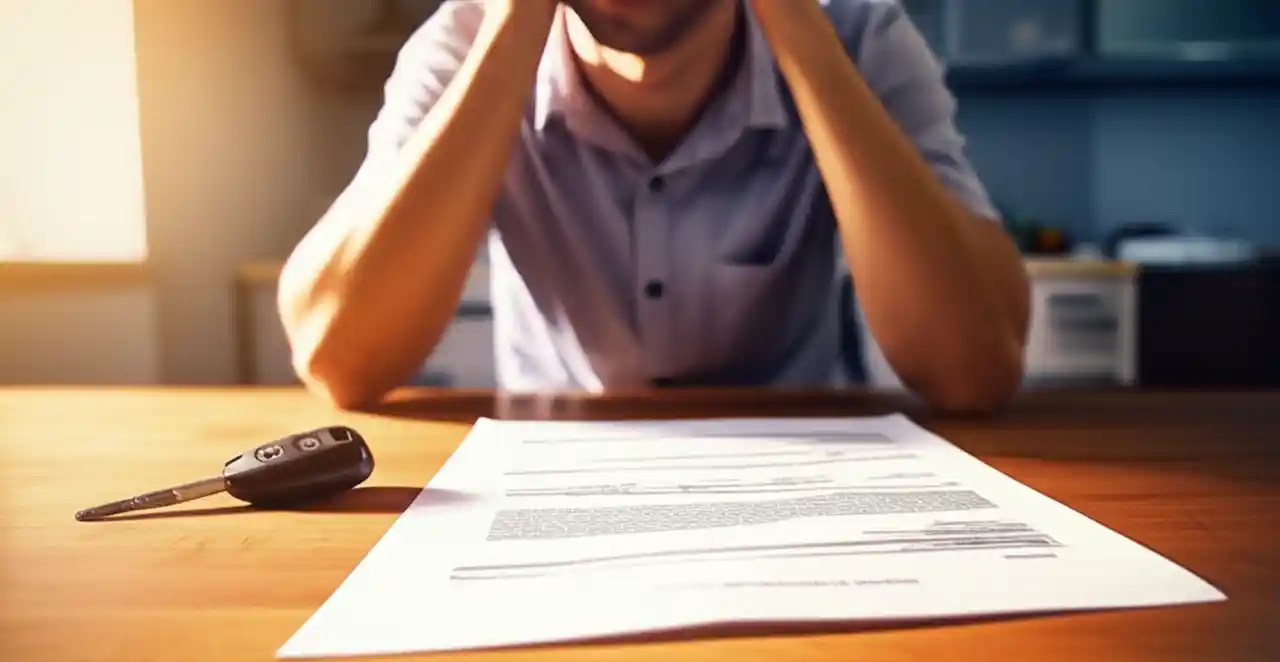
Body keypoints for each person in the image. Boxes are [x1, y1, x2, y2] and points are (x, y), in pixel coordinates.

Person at [277, 0, 1030, 412]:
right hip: (550, 480)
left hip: (815, 479)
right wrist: (513, 27)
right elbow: (339, 358)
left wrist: (797, 26)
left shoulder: (860, 36)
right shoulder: (464, 38)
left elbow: (974, 369)